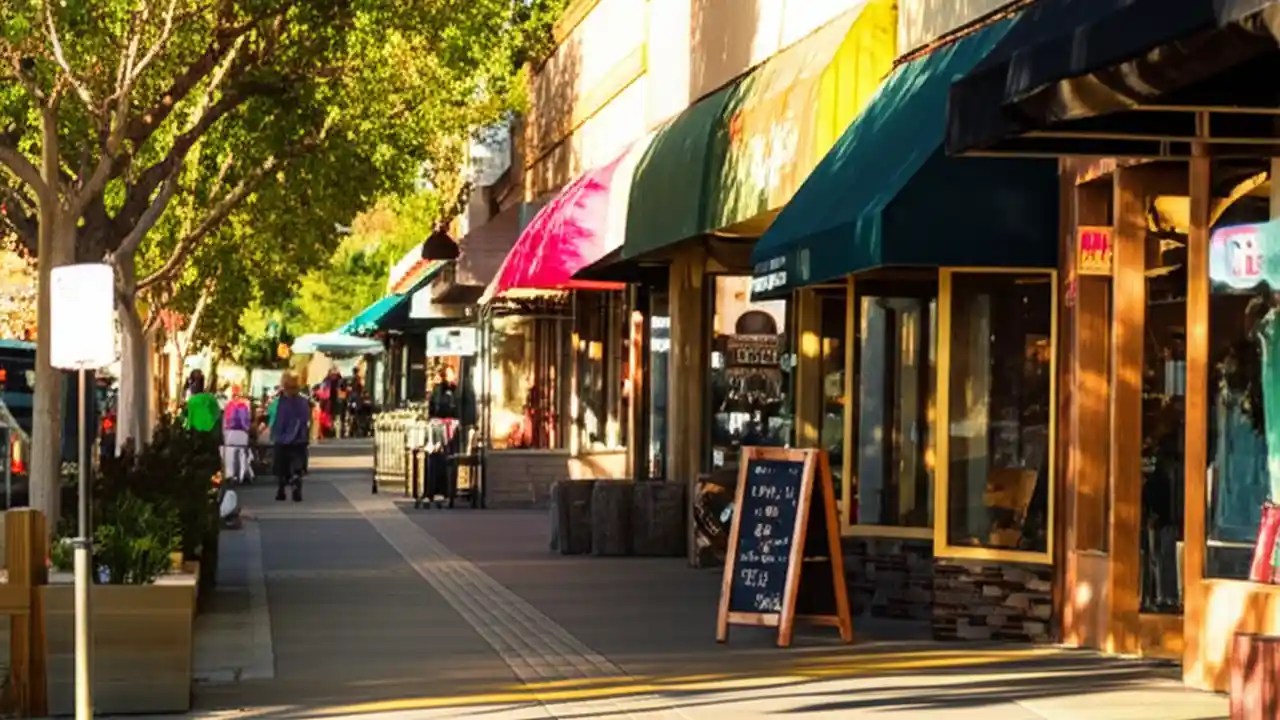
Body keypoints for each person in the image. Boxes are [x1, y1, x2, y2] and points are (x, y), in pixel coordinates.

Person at [272, 372, 311, 502]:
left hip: (282, 439)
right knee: (297, 463)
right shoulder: (303, 402)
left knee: (281, 465)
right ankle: (296, 480)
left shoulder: (280, 402)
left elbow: (275, 419)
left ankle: (281, 489)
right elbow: (306, 419)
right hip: (299, 438)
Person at [222, 385, 253, 484]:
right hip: (243, 432)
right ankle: (243, 475)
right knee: (243, 454)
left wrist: (224, 434)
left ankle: (231, 475)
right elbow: (249, 418)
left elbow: (225, 421)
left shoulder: (228, 404)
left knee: (230, 455)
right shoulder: (246, 404)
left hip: (230, 432)